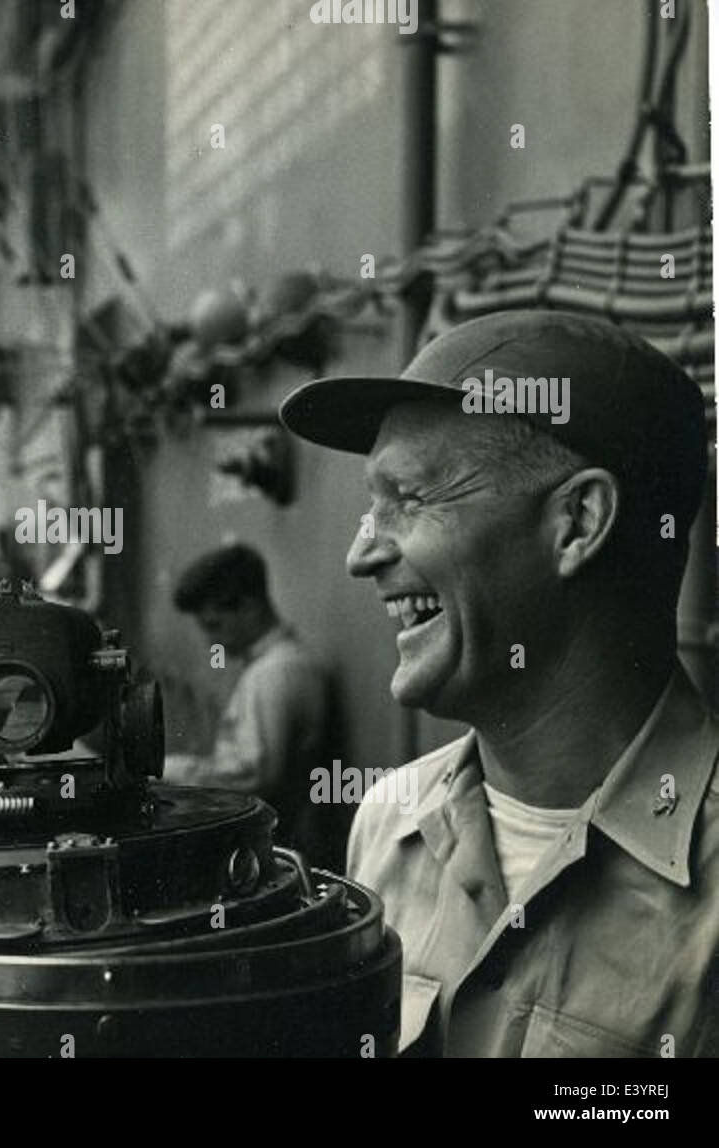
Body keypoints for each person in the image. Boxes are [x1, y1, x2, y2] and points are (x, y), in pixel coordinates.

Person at [280, 308, 719, 1057]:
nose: (362, 553)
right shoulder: (390, 825)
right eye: (368, 504)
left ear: (578, 522)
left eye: (410, 499)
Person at [163, 544, 342, 867]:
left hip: (268, 854)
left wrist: (171, 770)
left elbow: (255, 777)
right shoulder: (276, 665)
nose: (210, 642)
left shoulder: (275, 672)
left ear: (249, 607)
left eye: (214, 625)